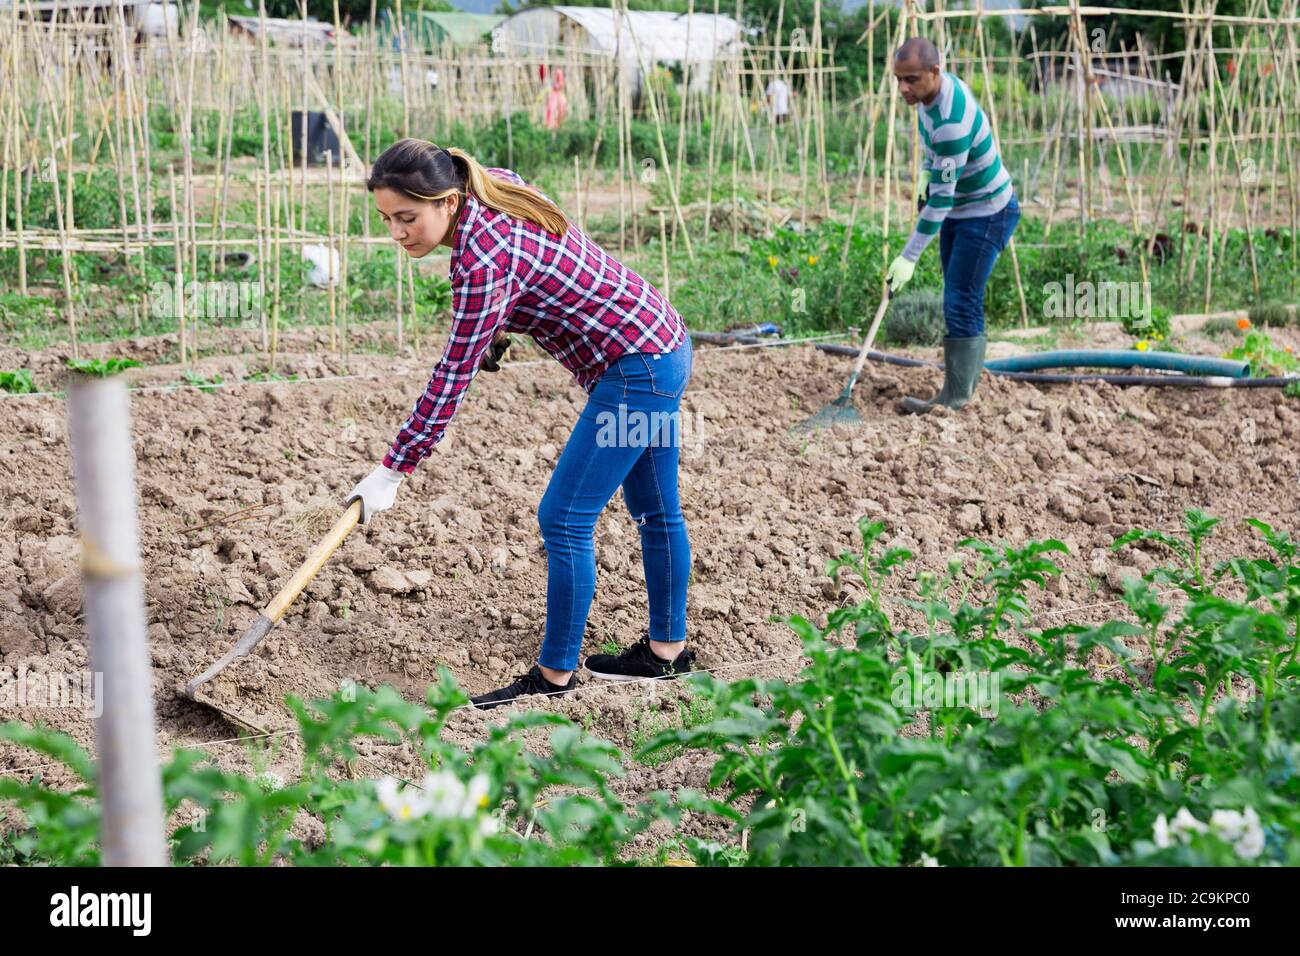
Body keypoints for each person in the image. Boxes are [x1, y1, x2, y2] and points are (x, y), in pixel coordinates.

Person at [348, 139, 696, 710]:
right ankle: (666, 655)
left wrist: (393, 469)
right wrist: (503, 324)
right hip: (661, 343)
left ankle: (554, 677)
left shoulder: (480, 262)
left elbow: (452, 375)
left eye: (407, 217)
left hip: (636, 371)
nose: (396, 232)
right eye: (386, 218)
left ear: (449, 202)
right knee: (655, 510)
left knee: (564, 517)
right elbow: (541, 266)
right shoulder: (497, 184)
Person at [885, 37, 1021, 414]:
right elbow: (935, 159)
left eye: (910, 79)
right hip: (964, 208)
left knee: (960, 298)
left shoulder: (952, 122)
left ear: (935, 72)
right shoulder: (928, 98)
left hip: (988, 211)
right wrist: (928, 174)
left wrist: (908, 257)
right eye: (898, 80)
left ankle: (957, 399)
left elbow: (940, 202)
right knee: (958, 292)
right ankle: (965, 386)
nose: (903, 89)